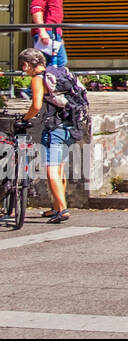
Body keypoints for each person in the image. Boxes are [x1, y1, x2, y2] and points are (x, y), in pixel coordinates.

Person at [16, 47, 83, 223]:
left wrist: (25, 118)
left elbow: (36, 106)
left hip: (55, 128)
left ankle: (63, 210)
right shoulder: (58, 74)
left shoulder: (38, 79)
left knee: (51, 169)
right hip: (72, 125)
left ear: (25, 65)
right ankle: (56, 207)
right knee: (59, 169)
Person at [30, 0, 73, 69]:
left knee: (52, 65)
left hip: (53, 32)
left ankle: (39, 87)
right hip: (47, 32)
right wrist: (42, 31)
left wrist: (59, 34)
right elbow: (36, 8)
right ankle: (35, 88)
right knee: (57, 63)